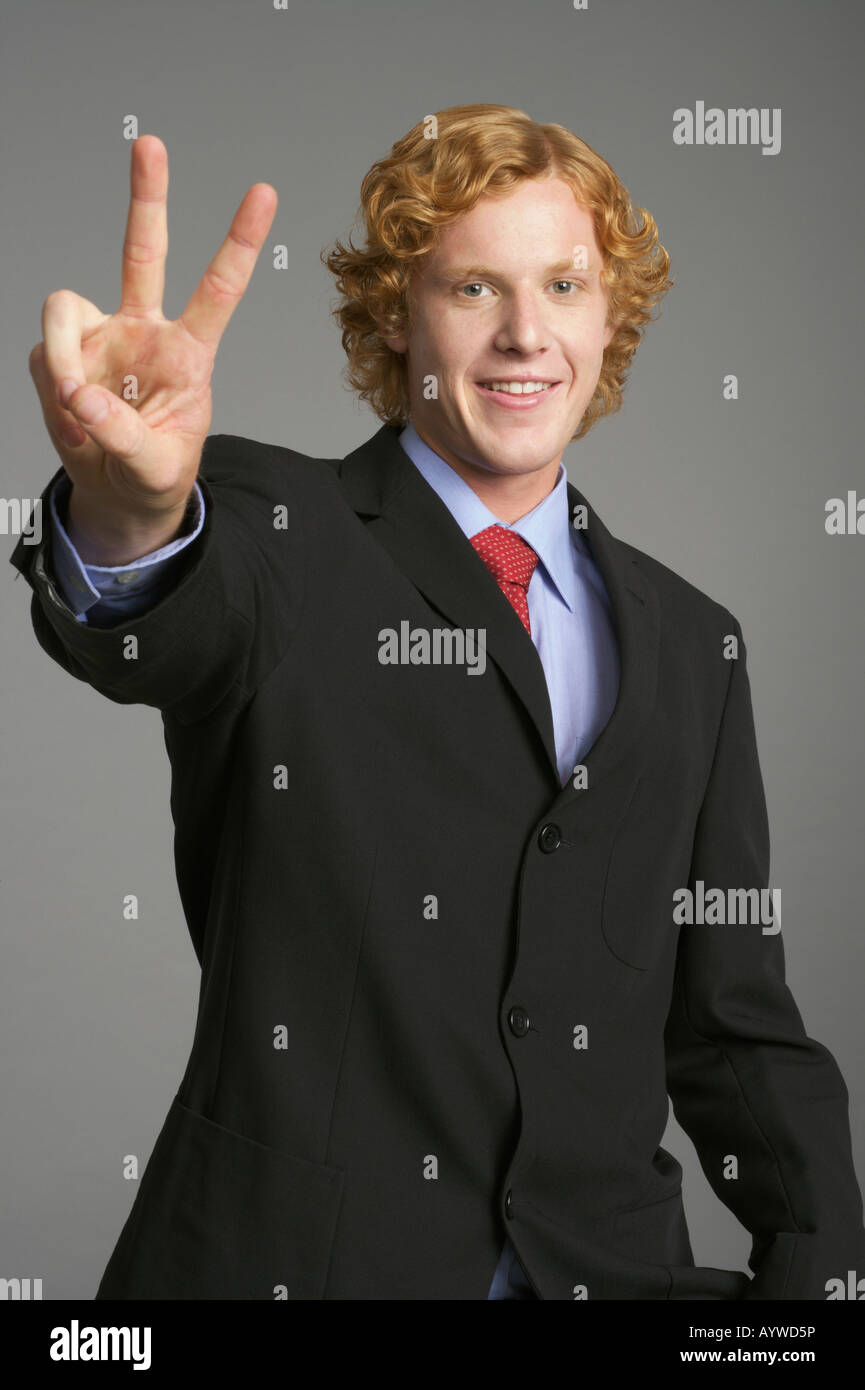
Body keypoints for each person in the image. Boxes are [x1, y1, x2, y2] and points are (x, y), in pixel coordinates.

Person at [11, 104, 864, 1300]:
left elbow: (732, 1022)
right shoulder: (276, 529)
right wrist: (134, 519)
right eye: (473, 289)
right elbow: (161, 624)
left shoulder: (691, 642)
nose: (526, 333)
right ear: (394, 316)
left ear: (609, 315)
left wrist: (816, 1283)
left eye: (564, 285)